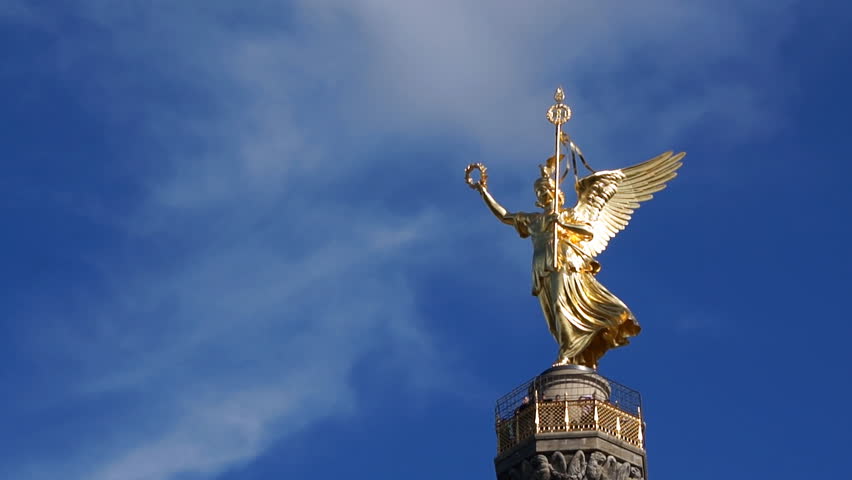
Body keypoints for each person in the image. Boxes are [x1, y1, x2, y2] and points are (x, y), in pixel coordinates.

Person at [474, 166, 640, 369]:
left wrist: (561, 225)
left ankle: (568, 351)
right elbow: (505, 216)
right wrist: (484, 191)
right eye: (540, 192)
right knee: (553, 313)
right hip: (541, 266)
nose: (544, 194)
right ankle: (571, 349)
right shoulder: (534, 219)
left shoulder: (570, 215)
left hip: (563, 262)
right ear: (538, 199)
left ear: (558, 194)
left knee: (562, 306)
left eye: (547, 189)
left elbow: (587, 232)